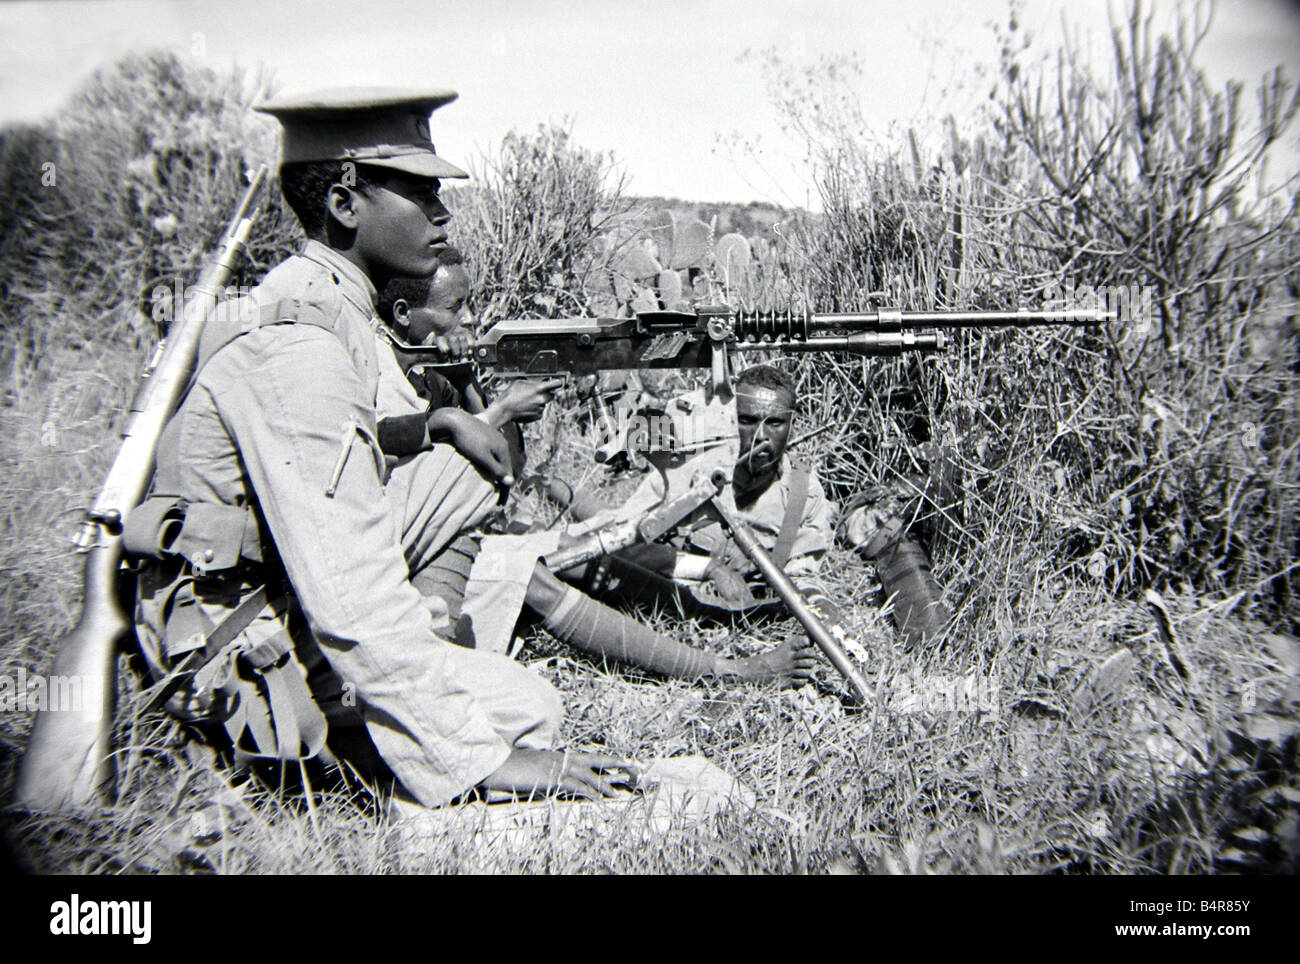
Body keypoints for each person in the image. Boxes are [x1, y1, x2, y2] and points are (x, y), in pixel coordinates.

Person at [131, 88, 632, 808]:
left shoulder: (324, 302)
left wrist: (445, 424)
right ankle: (350, 758)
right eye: (421, 192)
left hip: (269, 594)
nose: (442, 213)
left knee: (466, 472)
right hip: (236, 641)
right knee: (524, 713)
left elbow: (357, 459)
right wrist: (477, 759)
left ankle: (410, 672)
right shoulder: (300, 347)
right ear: (344, 202)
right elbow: (349, 594)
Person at [366, 259, 815, 685]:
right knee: (532, 576)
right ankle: (726, 671)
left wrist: (467, 382)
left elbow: (504, 470)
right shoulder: (380, 375)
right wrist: (502, 409)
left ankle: (712, 605)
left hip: (449, 538)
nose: (468, 319)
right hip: (400, 558)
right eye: (453, 308)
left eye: (468, 303)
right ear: (404, 314)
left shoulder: (432, 373)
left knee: (575, 549)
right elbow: (461, 470)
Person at [555, 364, 952, 651]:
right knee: (585, 540)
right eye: (748, 420)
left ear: (792, 425)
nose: (760, 436)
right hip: (666, 589)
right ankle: (556, 490)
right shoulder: (692, 470)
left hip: (727, 611)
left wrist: (823, 610)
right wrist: (710, 568)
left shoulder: (803, 493)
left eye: (775, 423)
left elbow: (801, 571)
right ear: (732, 419)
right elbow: (628, 541)